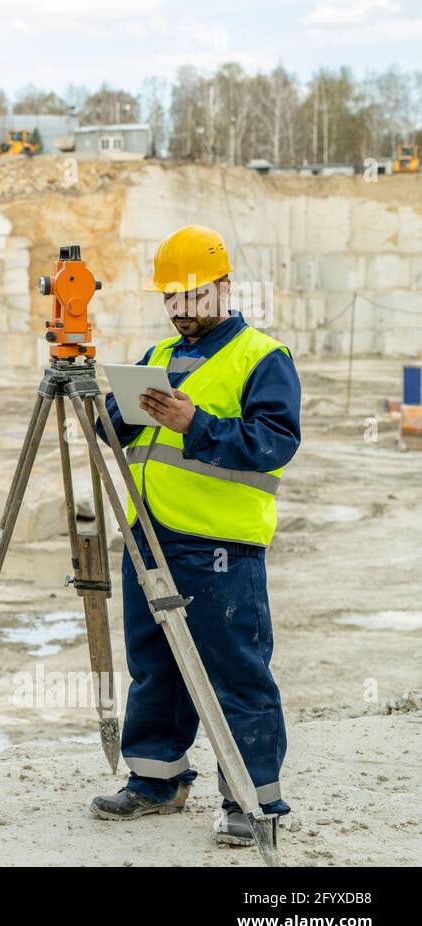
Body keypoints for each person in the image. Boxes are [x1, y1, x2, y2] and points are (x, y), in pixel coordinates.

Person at [91, 224, 301, 847]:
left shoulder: (262, 357)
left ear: (224, 288)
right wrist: (100, 405)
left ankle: (251, 802)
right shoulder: (157, 357)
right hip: (150, 537)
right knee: (155, 666)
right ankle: (157, 780)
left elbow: (274, 444)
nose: (181, 310)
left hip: (219, 548)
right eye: (170, 298)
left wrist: (196, 422)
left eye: (192, 296)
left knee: (233, 673)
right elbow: (120, 436)